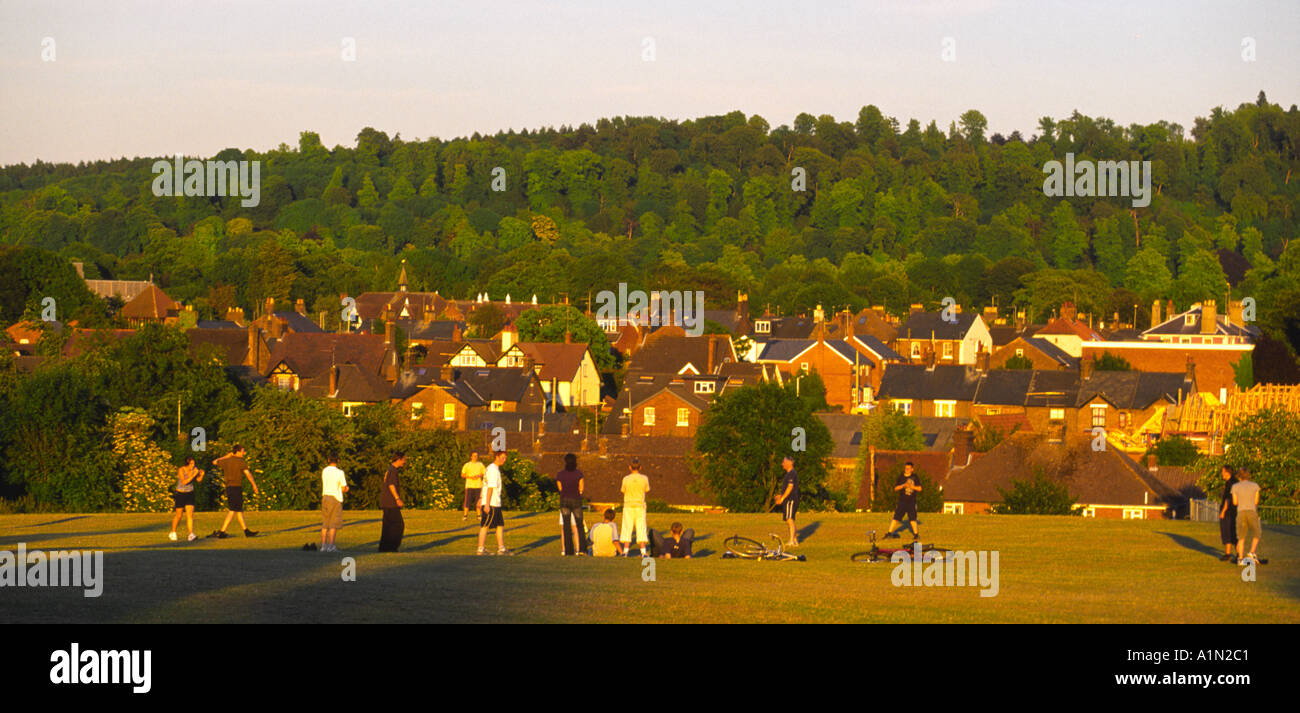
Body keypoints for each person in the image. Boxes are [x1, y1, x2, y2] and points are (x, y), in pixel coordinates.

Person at [210, 445, 259, 538]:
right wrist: (254, 485)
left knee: (239, 509)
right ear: (238, 452)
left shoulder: (226, 461)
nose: (244, 453)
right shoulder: (241, 462)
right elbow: (248, 474)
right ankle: (222, 531)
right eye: (243, 451)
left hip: (229, 487)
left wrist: (226, 456)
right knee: (233, 509)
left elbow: (214, 462)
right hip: (236, 487)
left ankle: (246, 531)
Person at [476, 450, 511, 555]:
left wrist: (480, 497)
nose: (504, 460)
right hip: (491, 503)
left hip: (496, 502)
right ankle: (480, 549)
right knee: (485, 525)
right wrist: (486, 504)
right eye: (502, 457)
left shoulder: (492, 469)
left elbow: (484, 484)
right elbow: (490, 487)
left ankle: (501, 548)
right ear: (497, 456)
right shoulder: (493, 470)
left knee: (500, 525)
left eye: (505, 458)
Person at [556, 452, 586, 556]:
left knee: (566, 526)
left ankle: (569, 550)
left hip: (564, 500)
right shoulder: (579, 474)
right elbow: (581, 488)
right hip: (576, 500)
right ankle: (582, 549)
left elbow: (560, 488)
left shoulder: (560, 474)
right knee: (579, 525)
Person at [619, 457, 650, 557]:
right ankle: (643, 552)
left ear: (630, 467)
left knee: (627, 527)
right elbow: (647, 489)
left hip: (628, 505)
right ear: (640, 467)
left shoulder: (626, 479)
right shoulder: (644, 478)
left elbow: (623, 490)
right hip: (640, 506)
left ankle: (625, 551)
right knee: (641, 527)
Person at [168, 456, 204, 542]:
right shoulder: (181, 470)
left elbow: (198, 480)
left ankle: (191, 534)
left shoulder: (195, 470)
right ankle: (173, 532)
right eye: (191, 463)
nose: (193, 465)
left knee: (190, 514)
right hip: (180, 493)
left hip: (190, 493)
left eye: (194, 463)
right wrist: (193, 475)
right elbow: (184, 482)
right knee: (179, 515)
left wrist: (201, 475)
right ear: (187, 463)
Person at [1231, 467, 1262, 565]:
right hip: (1251, 511)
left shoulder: (1235, 486)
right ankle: (1251, 552)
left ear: (1239, 476)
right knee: (1257, 532)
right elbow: (1256, 501)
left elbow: (1235, 502)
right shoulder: (1255, 486)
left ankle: (1240, 558)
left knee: (1241, 536)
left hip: (1240, 512)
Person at [885, 462, 922, 541]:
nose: (907, 470)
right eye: (906, 468)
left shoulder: (915, 477)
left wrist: (912, 486)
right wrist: (903, 485)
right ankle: (889, 533)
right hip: (902, 501)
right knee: (896, 517)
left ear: (912, 469)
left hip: (911, 501)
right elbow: (895, 488)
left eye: (908, 468)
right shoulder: (901, 477)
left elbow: (919, 489)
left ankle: (916, 535)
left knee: (912, 518)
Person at [320, 453, 349, 553]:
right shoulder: (340, 472)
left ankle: (323, 546)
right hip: (335, 498)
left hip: (325, 497)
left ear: (328, 460)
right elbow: (343, 487)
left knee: (325, 523)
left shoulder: (324, 471)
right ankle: (331, 546)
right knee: (333, 523)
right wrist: (346, 489)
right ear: (338, 461)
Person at [378, 452, 406, 552]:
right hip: (391, 503)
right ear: (399, 459)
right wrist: (397, 499)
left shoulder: (390, 469)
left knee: (387, 526)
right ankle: (392, 547)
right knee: (398, 525)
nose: (404, 462)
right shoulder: (393, 471)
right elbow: (391, 485)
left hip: (386, 502)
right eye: (403, 459)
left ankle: (384, 548)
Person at [774, 455, 799, 547]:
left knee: (789, 519)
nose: (782, 464)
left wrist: (782, 498)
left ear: (790, 463)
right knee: (789, 519)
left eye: (784, 462)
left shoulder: (792, 473)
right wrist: (780, 496)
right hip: (788, 499)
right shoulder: (788, 474)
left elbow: (790, 487)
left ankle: (792, 540)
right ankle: (795, 540)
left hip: (790, 500)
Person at [1218, 465, 1238, 562]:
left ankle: (1229, 553)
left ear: (1227, 472)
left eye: (1223, 472)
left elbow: (1228, 499)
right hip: (1235, 511)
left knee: (1228, 531)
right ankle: (1238, 554)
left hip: (1229, 512)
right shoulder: (1234, 482)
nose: (1222, 474)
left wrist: (1223, 511)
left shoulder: (1231, 483)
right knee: (1233, 532)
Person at [461, 451, 485, 521]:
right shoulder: (467, 465)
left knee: (478, 501)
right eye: (474, 456)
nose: (475, 457)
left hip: (478, 486)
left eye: (476, 456)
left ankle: (479, 516)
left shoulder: (480, 464)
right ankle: (465, 516)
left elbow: (484, 473)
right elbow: (462, 474)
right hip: (469, 486)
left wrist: (479, 475)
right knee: (467, 501)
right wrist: (470, 477)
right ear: (471, 457)